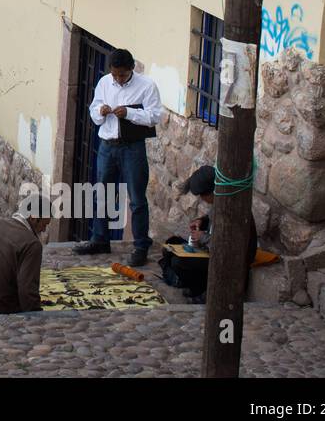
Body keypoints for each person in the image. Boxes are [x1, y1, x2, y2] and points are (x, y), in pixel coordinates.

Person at [74, 48, 164, 267]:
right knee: (103, 195)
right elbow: (93, 109)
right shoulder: (105, 82)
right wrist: (100, 111)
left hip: (132, 148)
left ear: (131, 69)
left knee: (136, 198)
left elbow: (155, 116)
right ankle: (100, 239)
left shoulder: (147, 86)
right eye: (114, 74)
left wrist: (130, 113)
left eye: (121, 75)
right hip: (107, 145)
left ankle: (141, 245)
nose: (117, 78)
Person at [158, 165, 258, 303]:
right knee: (171, 246)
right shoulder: (221, 200)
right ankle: (196, 286)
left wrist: (203, 237)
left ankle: (201, 290)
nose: (202, 200)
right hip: (213, 249)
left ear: (210, 192)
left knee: (179, 261)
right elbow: (212, 217)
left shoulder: (232, 207)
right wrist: (201, 221)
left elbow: (227, 247)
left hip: (229, 261)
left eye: (202, 196)